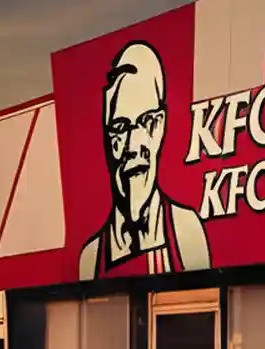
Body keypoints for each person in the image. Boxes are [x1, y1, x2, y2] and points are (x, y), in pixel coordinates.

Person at [79, 41, 210, 281]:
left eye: (147, 121)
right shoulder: (91, 258)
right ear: (106, 139)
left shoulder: (185, 232)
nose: (133, 146)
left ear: (161, 126)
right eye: (120, 128)